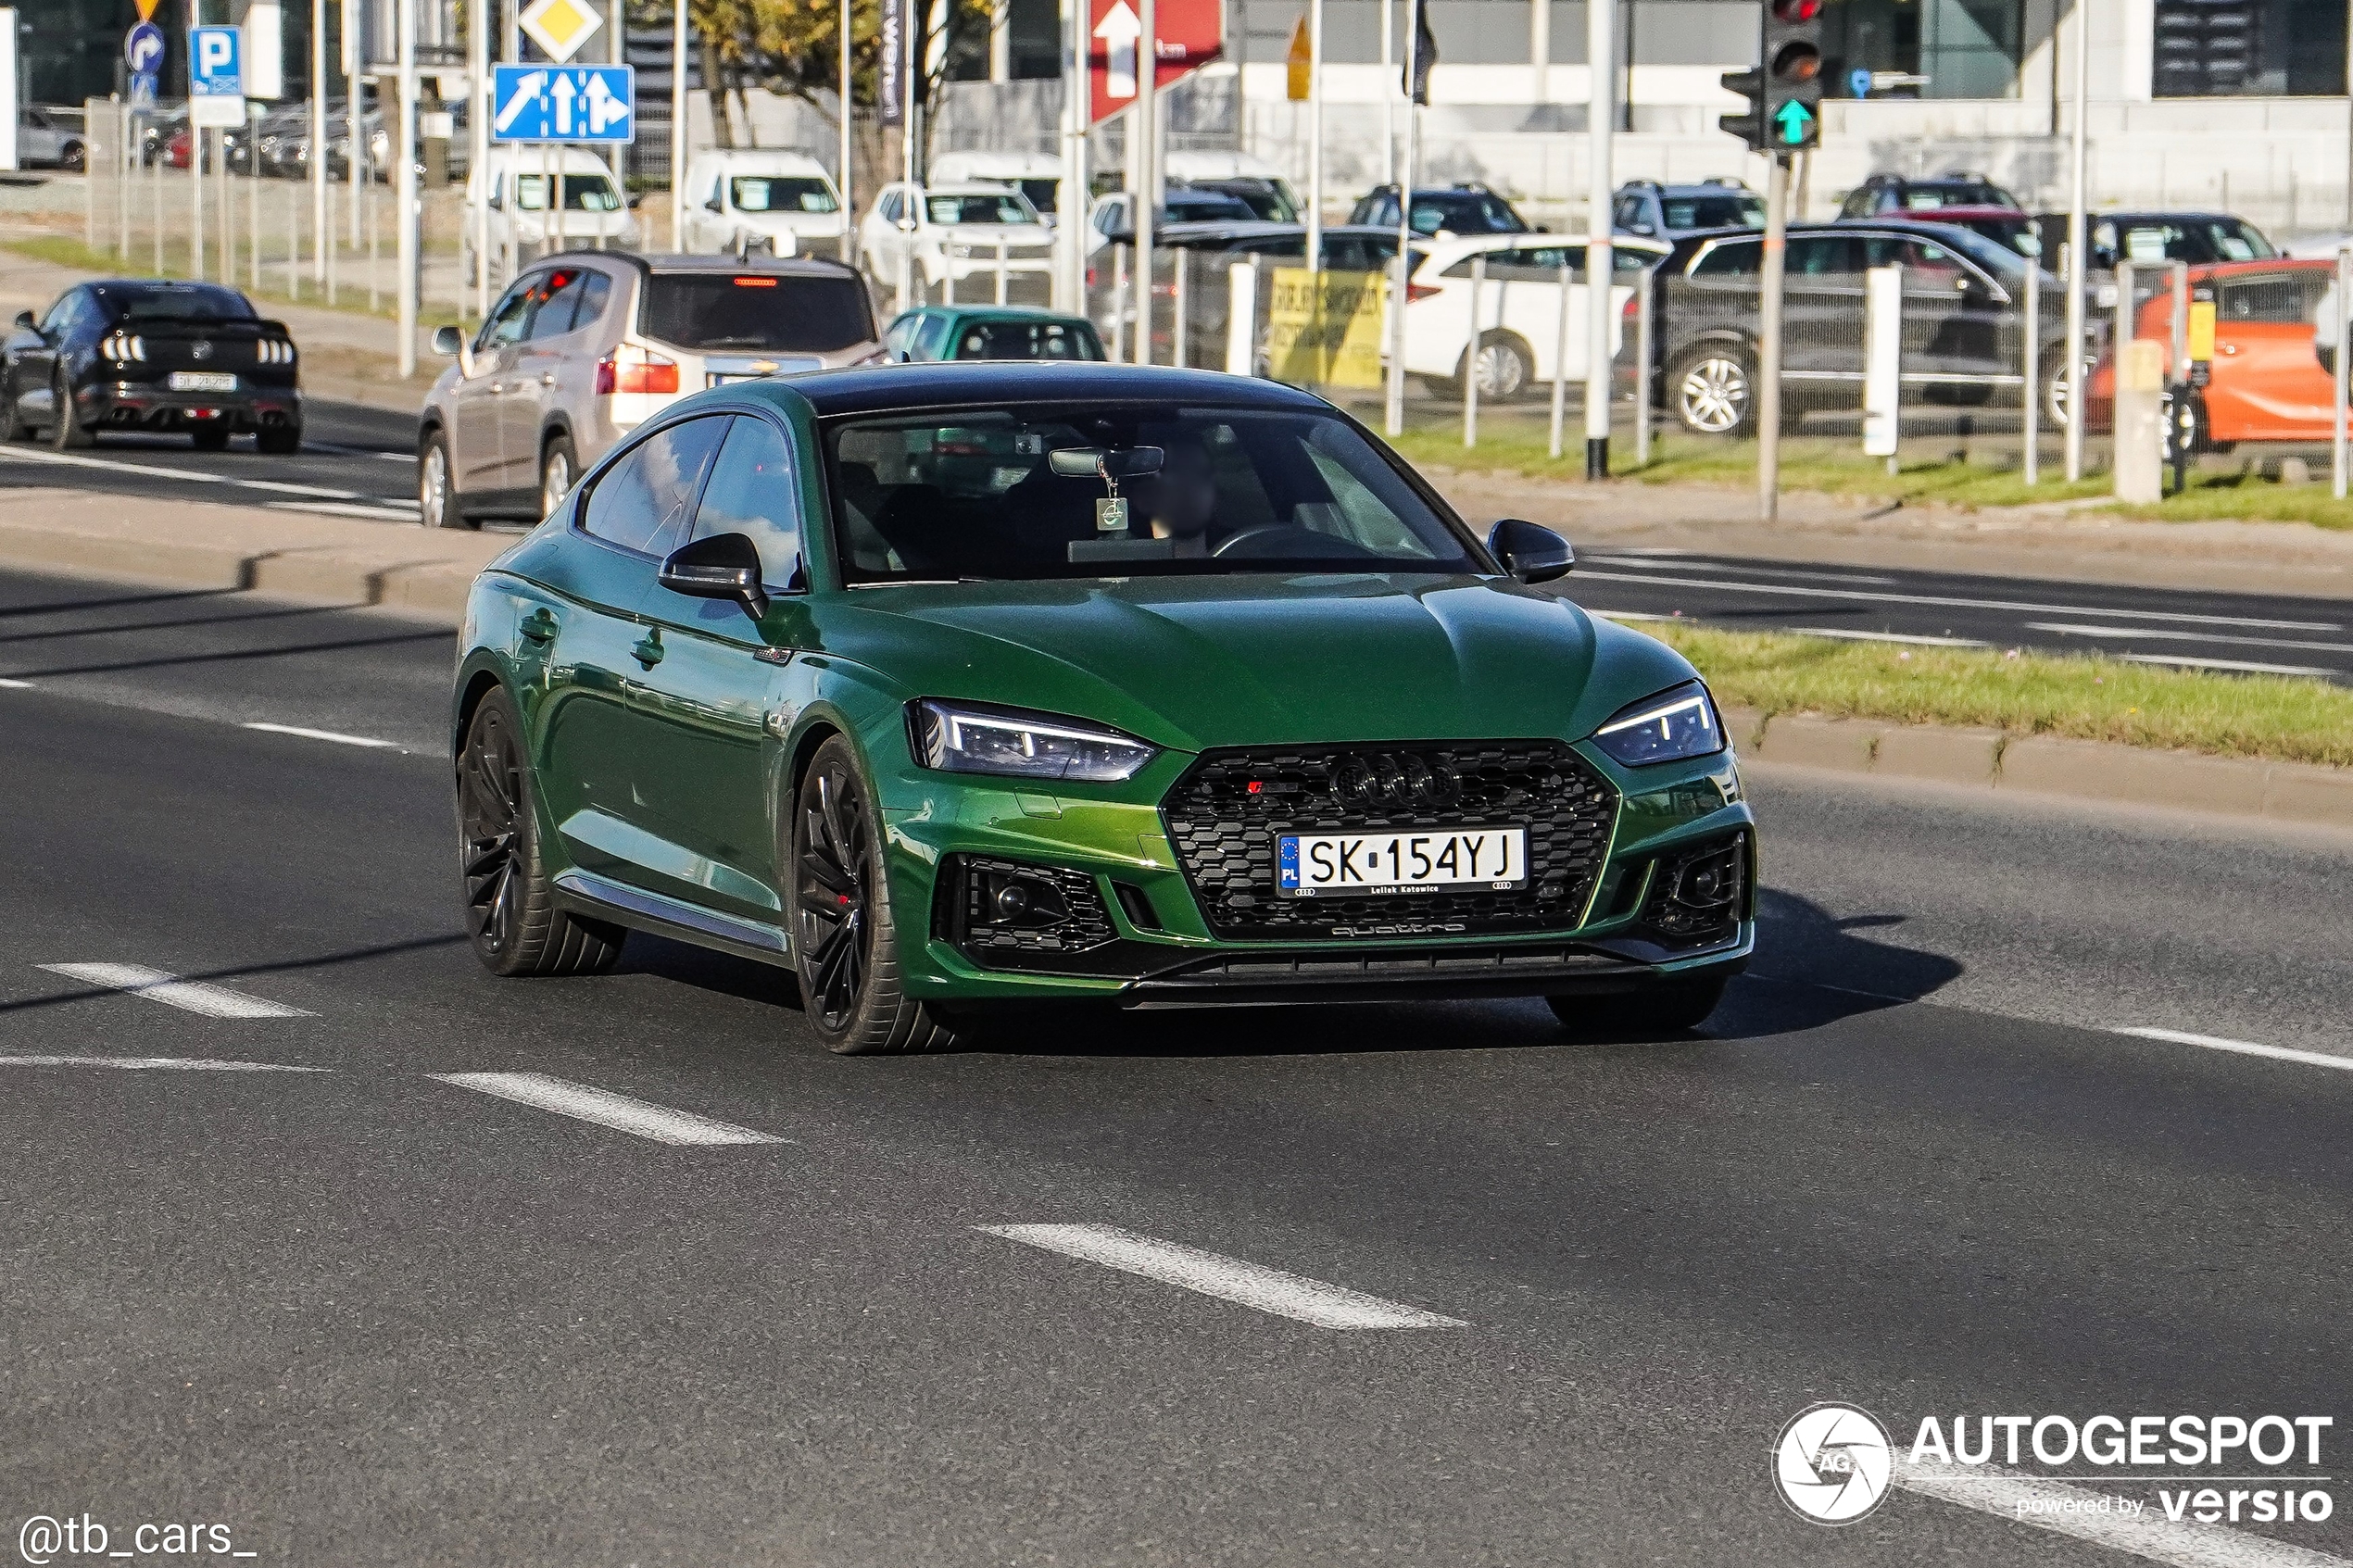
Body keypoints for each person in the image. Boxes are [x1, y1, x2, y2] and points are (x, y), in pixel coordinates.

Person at [1135, 430, 1219, 557]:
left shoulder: (1245, 558)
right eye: (1174, 475)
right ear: (1142, 496)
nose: (1188, 487)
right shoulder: (1117, 568)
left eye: (1198, 474)